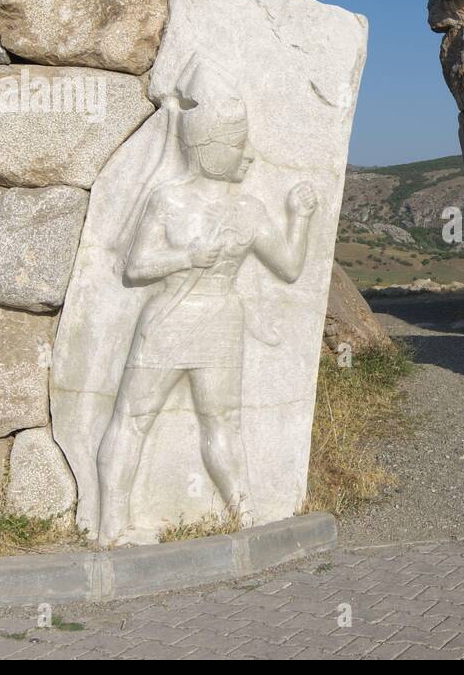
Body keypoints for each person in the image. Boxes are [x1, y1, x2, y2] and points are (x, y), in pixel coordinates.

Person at [96, 59, 316, 546]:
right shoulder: (168, 199)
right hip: (170, 318)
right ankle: (111, 527)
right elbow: (135, 267)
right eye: (238, 143)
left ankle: (245, 514)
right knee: (133, 418)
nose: (249, 155)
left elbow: (289, 268)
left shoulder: (250, 208)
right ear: (212, 146)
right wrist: (189, 254)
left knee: (224, 421)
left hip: (221, 319)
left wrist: (298, 217)